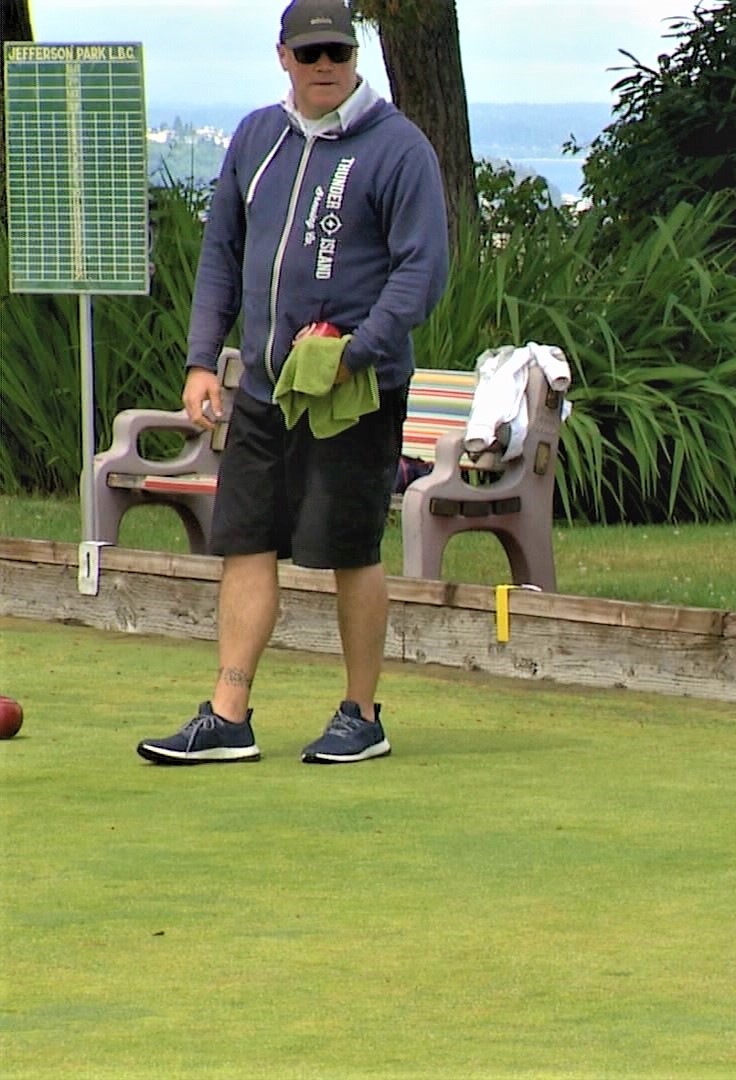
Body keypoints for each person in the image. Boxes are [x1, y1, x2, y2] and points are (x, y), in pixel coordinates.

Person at [137, 0, 449, 766]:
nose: (324, 68)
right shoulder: (255, 137)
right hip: (267, 385)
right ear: (283, 57)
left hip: (355, 392)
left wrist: (356, 351)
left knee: (349, 548)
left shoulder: (398, 148)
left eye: (337, 53)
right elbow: (222, 252)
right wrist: (203, 359)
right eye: (309, 55)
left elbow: (423, 271)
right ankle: (229, 712)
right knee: (245, 539)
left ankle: (362, 714)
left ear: (355, 56)